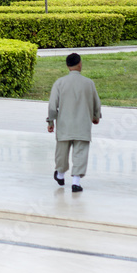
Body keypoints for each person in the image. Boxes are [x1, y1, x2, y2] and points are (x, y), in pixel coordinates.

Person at [46, 52, 101, 192]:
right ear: (80, 64)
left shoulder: (59, 83)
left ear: (67, 66)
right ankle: (76, 183)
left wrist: (51, 121)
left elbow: (53, 105)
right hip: (83, 125)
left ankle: (60, 174)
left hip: (64, 125)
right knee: (81, 152)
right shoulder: (89, 83)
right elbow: (96, 102)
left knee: (61, 152)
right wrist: (96, 116)